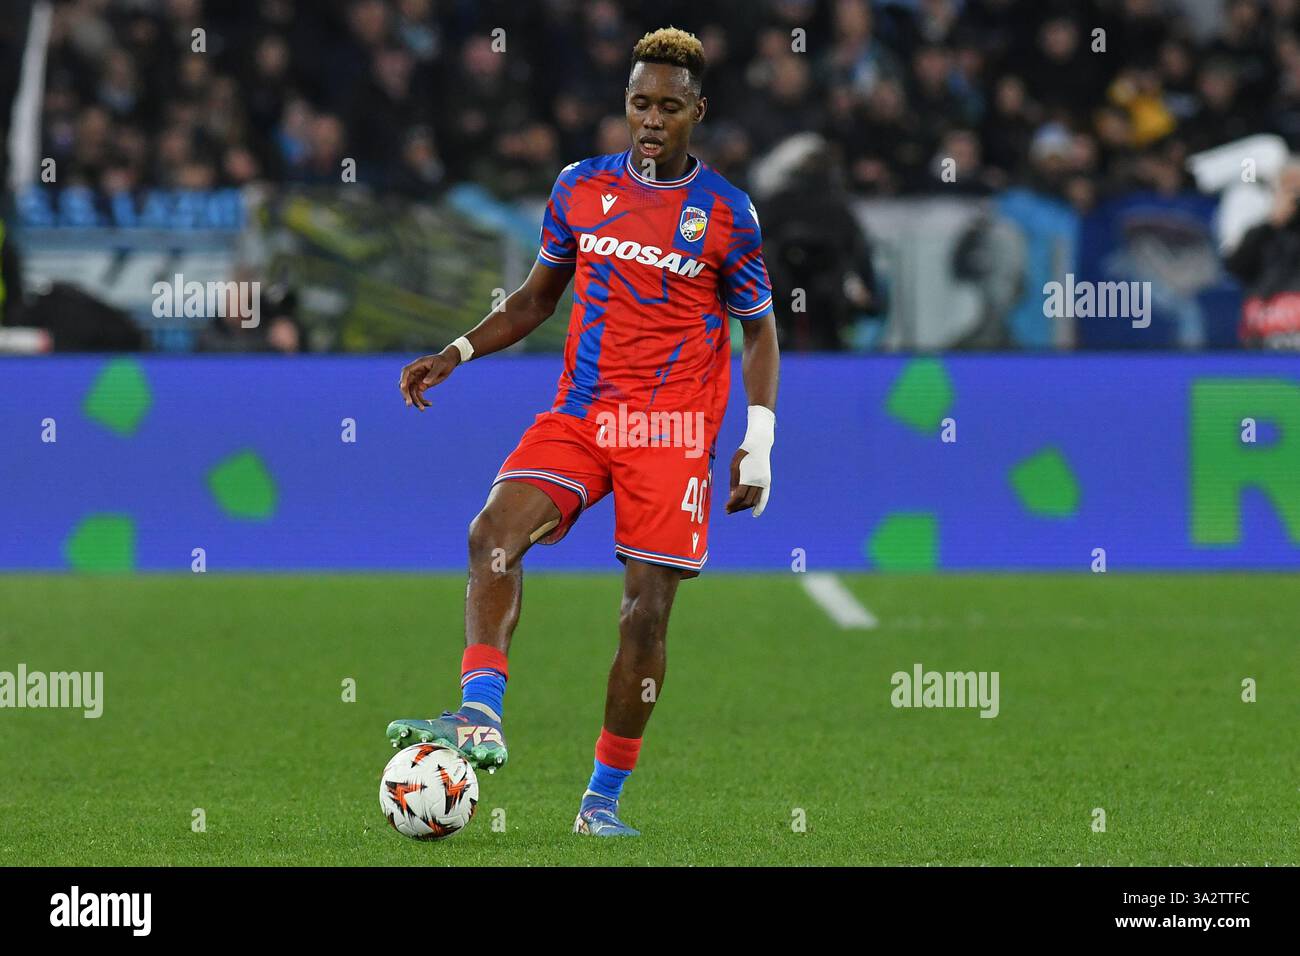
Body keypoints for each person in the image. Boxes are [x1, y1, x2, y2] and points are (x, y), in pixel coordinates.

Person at [390, 27, 780, 836]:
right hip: (583, 413)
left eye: (670, 107)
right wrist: (457, 351)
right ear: (625, 104)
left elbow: (761, 331)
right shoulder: (579, 188)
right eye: (640, 102)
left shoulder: (727, 216)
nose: (650, 119)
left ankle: (600, 800)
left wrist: (760, 439)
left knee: (644, 616)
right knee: (492, 531)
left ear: (696, 113)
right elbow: (536, 298)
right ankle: (480, 715)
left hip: (672, 433)